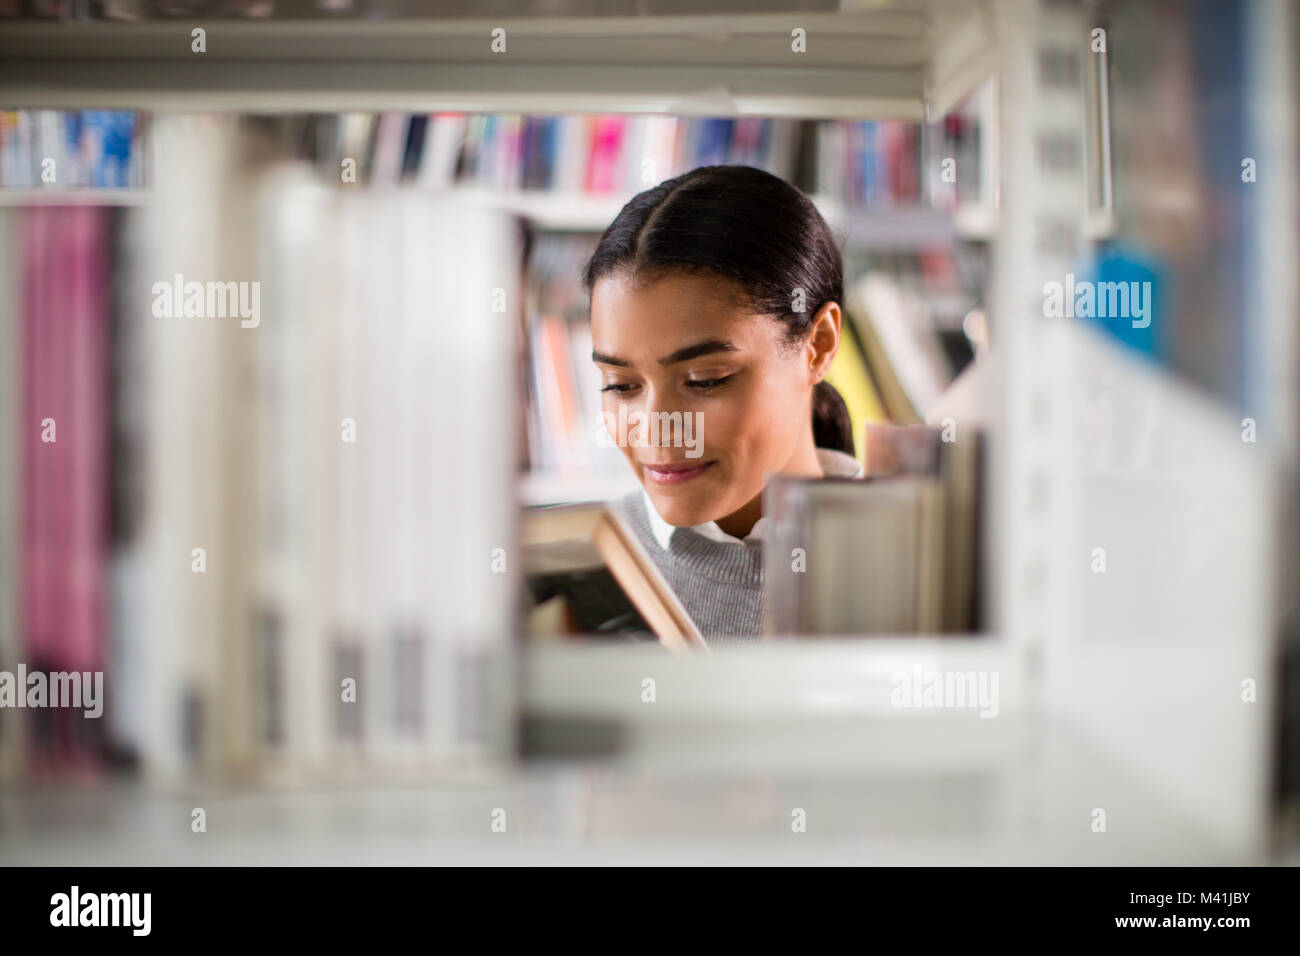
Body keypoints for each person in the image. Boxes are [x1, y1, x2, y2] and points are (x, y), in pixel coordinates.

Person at [582, 164, 862, 643]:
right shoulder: (587, 566)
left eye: (704, 380)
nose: (657, 429)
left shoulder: (923, 569)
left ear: (818, 345)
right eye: (621, 385)